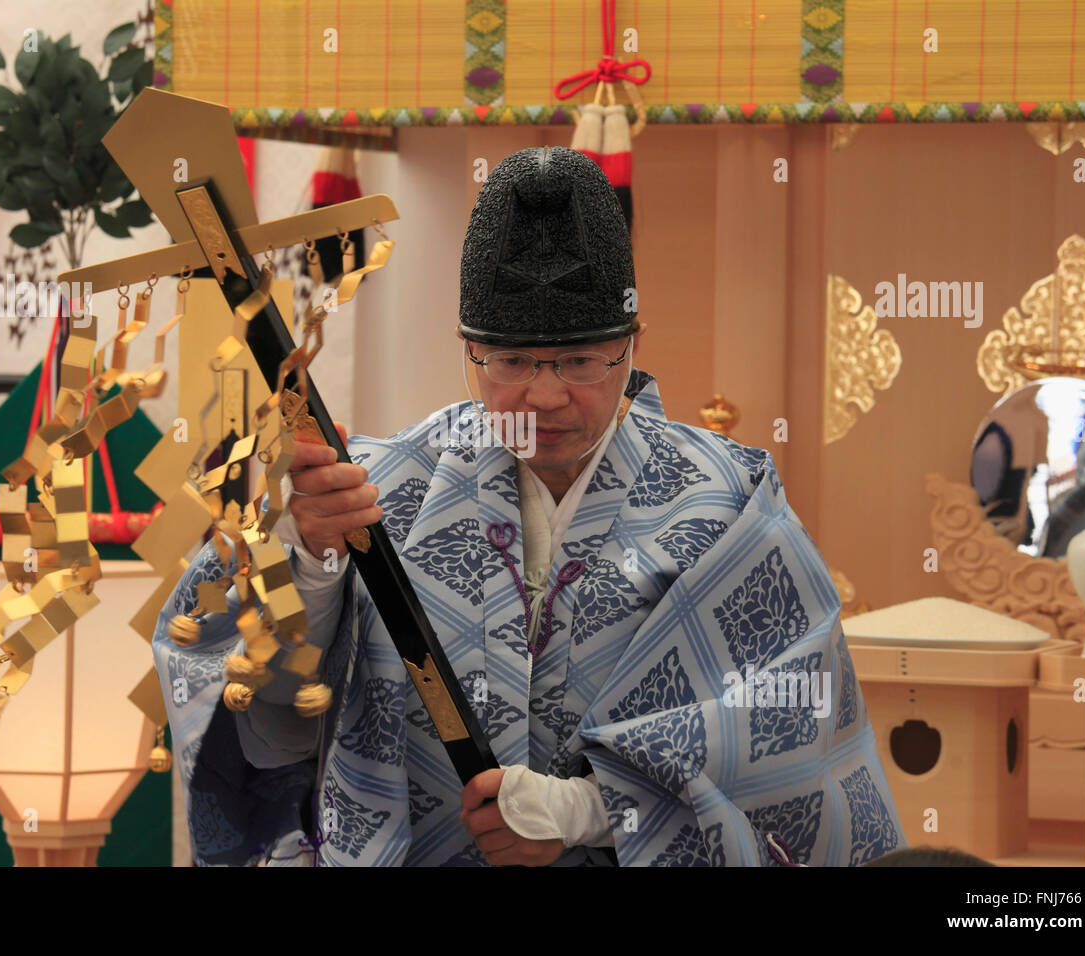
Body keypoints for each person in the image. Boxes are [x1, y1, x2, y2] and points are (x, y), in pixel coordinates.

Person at [153, 145, 906, 866]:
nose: (545, 397)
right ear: (467, 350)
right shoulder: (379, 489)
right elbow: (257, 707)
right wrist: (310, 560)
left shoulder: (727, 502)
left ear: (633, 343)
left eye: (580, 360)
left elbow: (794, 727)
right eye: (511, 361)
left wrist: (591, 810)